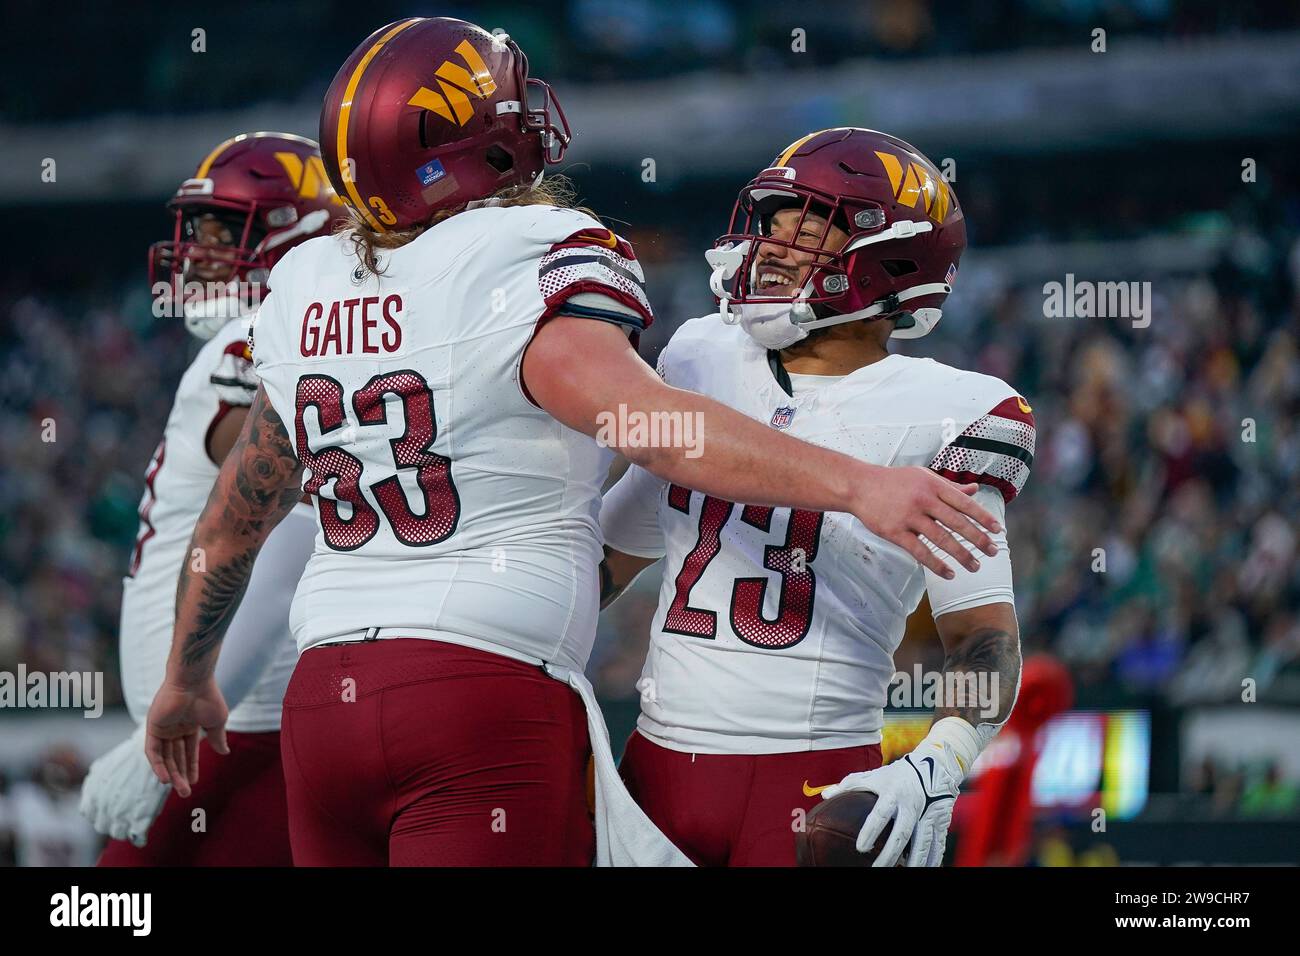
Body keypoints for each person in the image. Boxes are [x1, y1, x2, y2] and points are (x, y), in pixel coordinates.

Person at [144, 22, 1000, 867]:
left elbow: (229, 525)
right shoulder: (537, 261)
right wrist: (857, 484)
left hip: (325, 702)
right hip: (481, 695)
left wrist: (184, 681)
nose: (774, 245)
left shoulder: (305, 282)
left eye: (810, 228)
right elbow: (647, 430)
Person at [601, 128, 1033, 866]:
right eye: (773, 218)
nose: (772, 241)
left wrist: (942, 760)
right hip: (653, 770)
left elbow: (985, 640)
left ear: (890, 260)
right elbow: (608, 556)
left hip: (816, 782)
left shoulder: (954, 410)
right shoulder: (700, 357)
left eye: (809, 222)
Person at [81, 133, 341, 864]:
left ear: (297, 231)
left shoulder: (256, 339)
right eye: (195, 230)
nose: (196, 253)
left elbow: (278, 535)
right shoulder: (280, 335)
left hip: (228, 731)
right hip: (240, 728)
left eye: (225, 230)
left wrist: (181, 711)